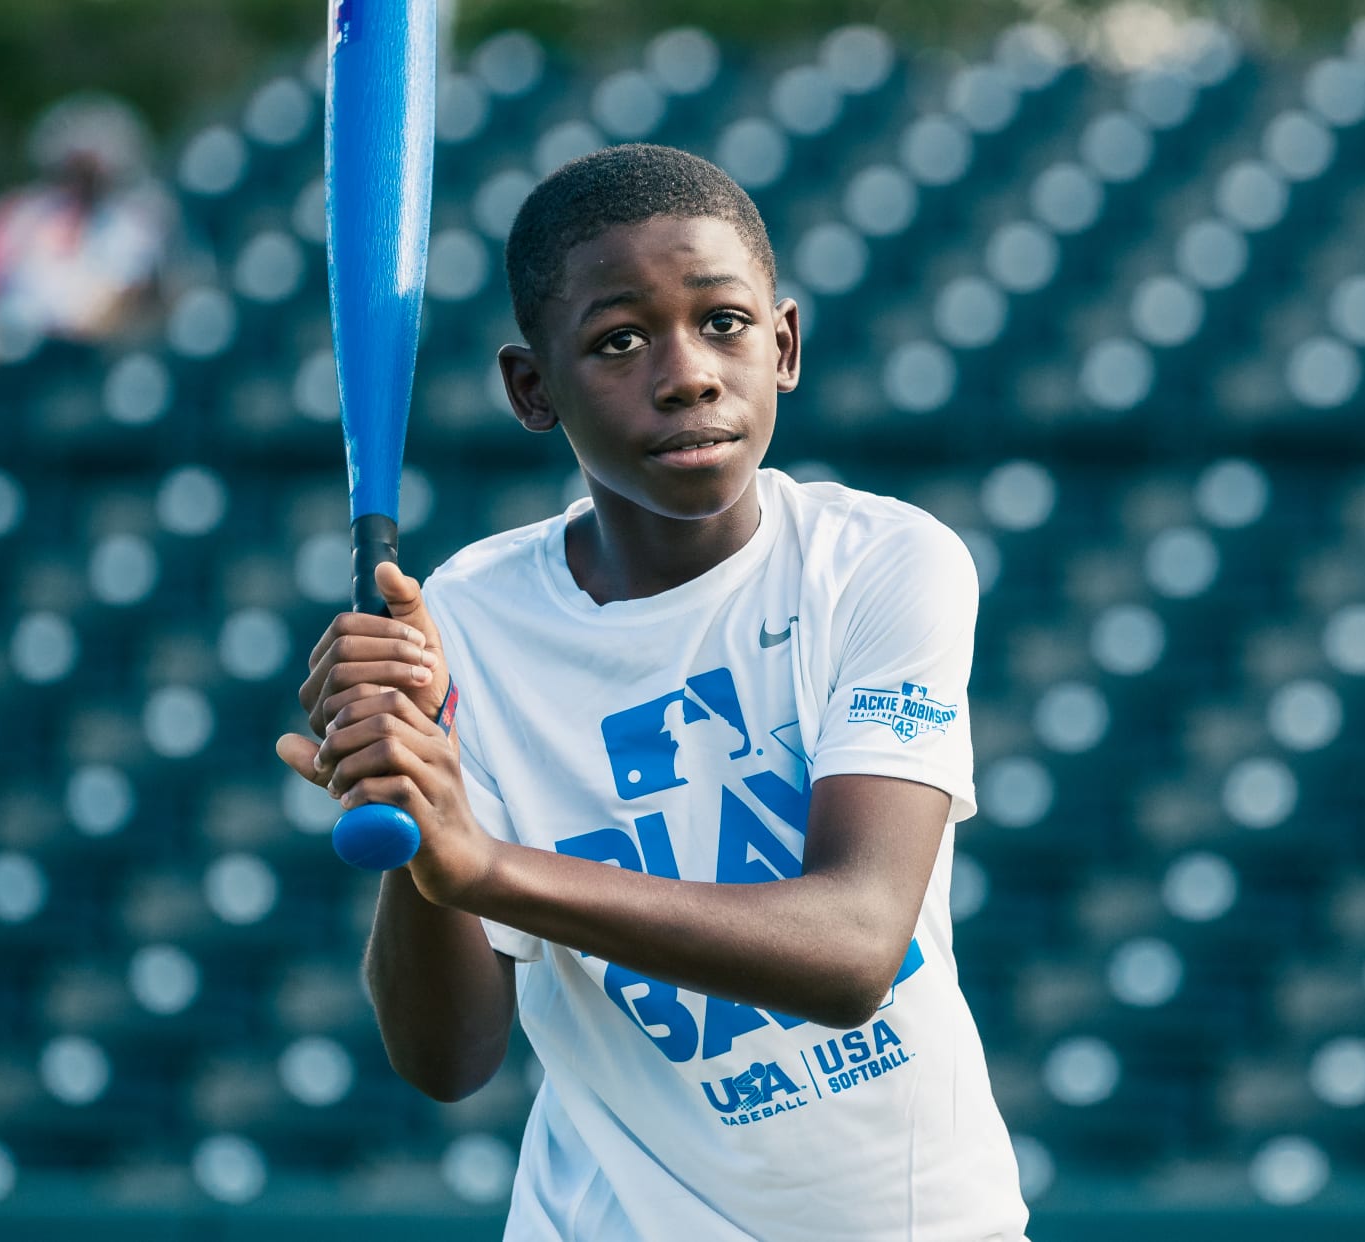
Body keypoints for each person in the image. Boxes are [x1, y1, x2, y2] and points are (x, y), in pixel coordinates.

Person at [274, 145, 1027, 1241]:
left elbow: (855, 947)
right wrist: (414, 813)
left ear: (785, 344)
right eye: (618, 340)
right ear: (534, 389)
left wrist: (486, 865)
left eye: (723, 322)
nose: (686, 373)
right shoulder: (467, 623)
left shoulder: (881, 562)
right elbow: (449, 1060)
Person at [0, 93, 172, 361]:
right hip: (5, 353)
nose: (81, 178)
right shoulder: (16, 214)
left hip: (84, 361)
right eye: (75, 166)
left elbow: (127, 302)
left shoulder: (136, 224)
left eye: (90, 168)